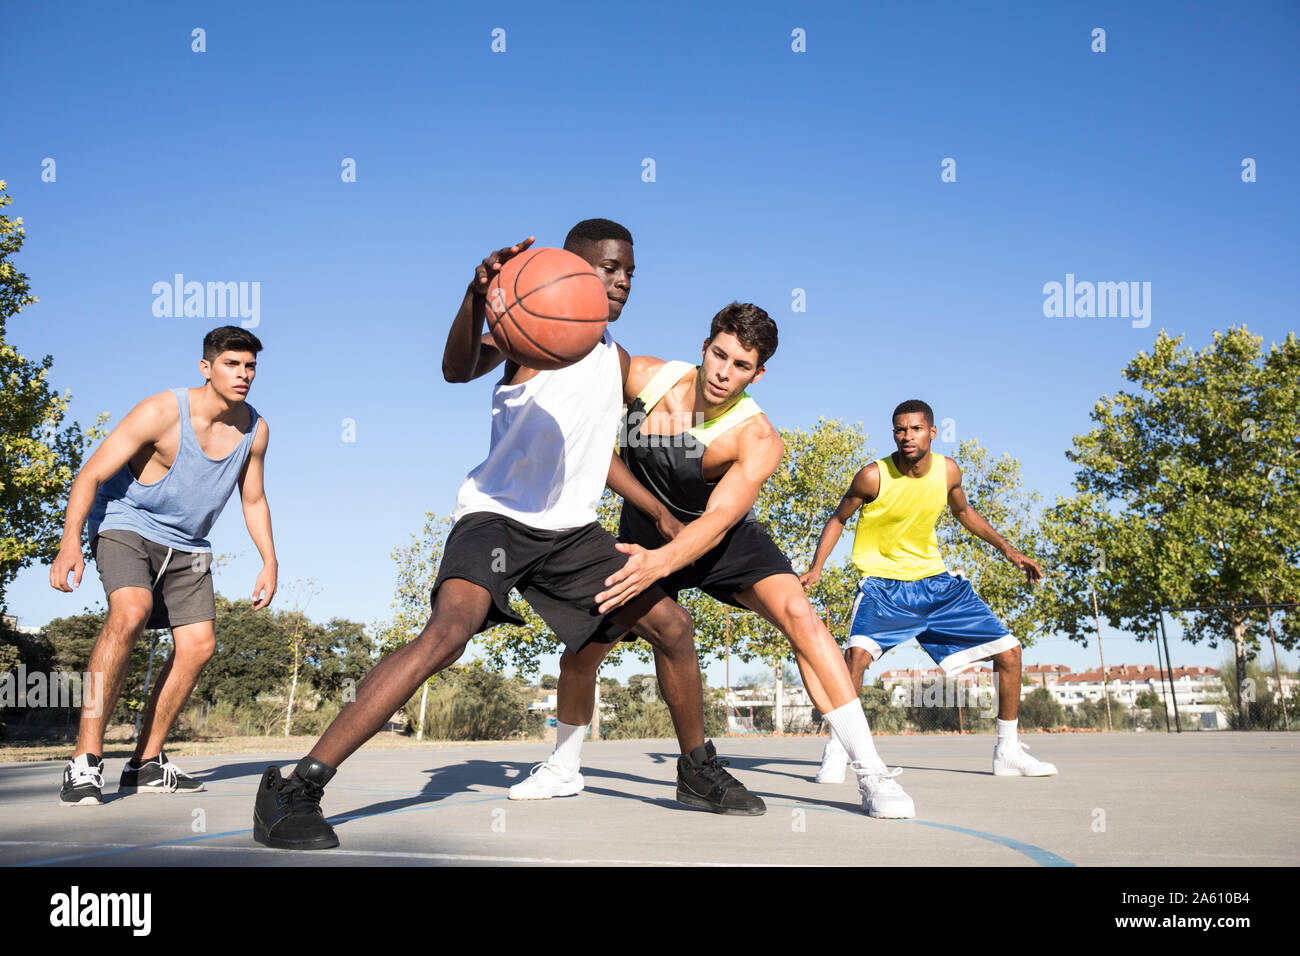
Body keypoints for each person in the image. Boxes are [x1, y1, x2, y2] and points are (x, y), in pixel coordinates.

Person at [253, 220, 763, 852]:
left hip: (572, 535)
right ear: (570, 269)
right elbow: (455, 368)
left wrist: (656, 514)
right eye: (608, 267)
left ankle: (696, 773)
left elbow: (597, 450)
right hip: (496, 519)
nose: (623, 279)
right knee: (447, 635)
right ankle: (296, 786)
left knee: (673, 628)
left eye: (630, 270)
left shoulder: (614, 358)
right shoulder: (530, 329)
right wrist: (475, 296)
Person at [508, 303, 915, 818]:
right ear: (704, 347)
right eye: (719, 355)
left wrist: (664, 561)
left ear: (758, 373)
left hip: (719, 540)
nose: (724, 372)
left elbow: (718, 520)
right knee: (581, 655)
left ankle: (872, 774)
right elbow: (572, 395)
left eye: (741, 365)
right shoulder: (646, 378)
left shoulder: (757, 437)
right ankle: (564, 768)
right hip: (642, 538)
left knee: (800, 617)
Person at [49, 325, 275, 805]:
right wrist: (70, 541)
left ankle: (146, 762)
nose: (243, 374)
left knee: (199, 645)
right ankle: (85, 761)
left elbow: (252, 499)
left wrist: (269, 560)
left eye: (250, 365)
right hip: (127, 522)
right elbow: (90, 472)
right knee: (129, 612)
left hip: (189, 544)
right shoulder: (161, 411)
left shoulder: (255, 429)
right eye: (232, 364)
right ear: (206, 367)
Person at [801, 399, 1057, 780]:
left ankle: (1007, 750)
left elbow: (964, 512)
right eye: (900, 430)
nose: (907, 436)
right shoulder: (873, 476)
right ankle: (839, 749)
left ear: (932, 432)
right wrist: (816, 568)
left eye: (915, 429)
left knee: (1010, 652)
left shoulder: (947, 471)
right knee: (855, 658)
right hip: (884, 586)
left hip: (936, 584)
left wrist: (1009, 550)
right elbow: (839, 518)